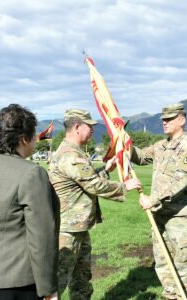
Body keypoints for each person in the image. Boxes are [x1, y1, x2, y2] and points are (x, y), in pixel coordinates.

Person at [48, 109, 141, 299]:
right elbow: (92, 184)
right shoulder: (69, 154)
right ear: (76, 127)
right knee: (57, 283)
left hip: (78, 227)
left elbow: (82, 182)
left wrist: (105, 170)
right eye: (89, 126)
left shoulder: (75, 152)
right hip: (68, 230)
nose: (92, 130)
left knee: (81, 279)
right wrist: (124, 186)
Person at [0, 104, 59, 300]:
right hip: (17, 285)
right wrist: (48, 289)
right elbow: (42, 236)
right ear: (23, 139)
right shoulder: (31, 173)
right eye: (34, 135)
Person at [135, 103, 187, 299]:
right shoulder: (161, 145)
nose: (164, 122)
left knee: (182, 264)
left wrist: (153, 199)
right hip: (159, 214)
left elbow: (181, 180)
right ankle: (170, 295)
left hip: (179, 216)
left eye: (170, 118)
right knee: (162, 262)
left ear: (182, 120)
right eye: (163, 119)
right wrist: (124, 145)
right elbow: (140, 157)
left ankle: (184, 297)